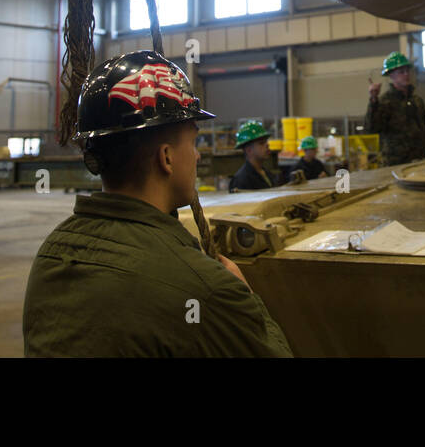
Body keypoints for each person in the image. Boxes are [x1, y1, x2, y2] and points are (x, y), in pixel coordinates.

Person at [23, 51, 292, 357]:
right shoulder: (206, 287)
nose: (198, 156)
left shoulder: (50, 254)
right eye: (194, 143)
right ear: (166, 158)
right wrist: (245, 295)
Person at [365, 51, 425, 166]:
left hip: (421, 160)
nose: (406, 74)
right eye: (401, 72)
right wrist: (373, 100)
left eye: (407, 71)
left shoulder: (417, 101)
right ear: (391, 75)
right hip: (396, 163)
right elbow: (371, 128)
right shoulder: (384, 102)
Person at [229, 119, 277, 192]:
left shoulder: (267, 174)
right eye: (261, 143)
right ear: (249, 150)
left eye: (266, 142)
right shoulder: (241, 180)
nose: (267, 145)